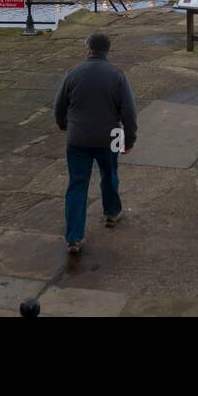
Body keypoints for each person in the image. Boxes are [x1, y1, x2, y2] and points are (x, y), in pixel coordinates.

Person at [53, 32, 138, 256]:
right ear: (107, 51)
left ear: (87, 49)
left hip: (77, 137)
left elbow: (59, 106)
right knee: (109, 174)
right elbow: (129, 111)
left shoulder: (73, 73)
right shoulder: (118, 76)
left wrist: (65, 126)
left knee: (77, 184)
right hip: (110, 136)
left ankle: (74, 237)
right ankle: (112, 212)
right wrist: (129, 139)